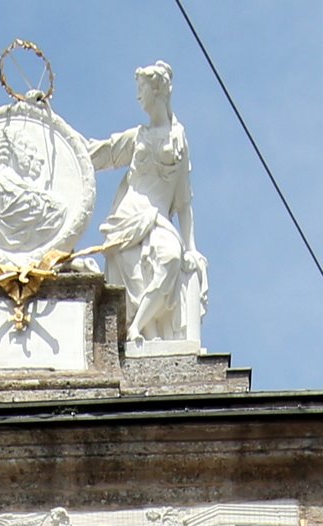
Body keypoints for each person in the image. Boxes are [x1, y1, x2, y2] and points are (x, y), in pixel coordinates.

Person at [89, 63, 206, 351]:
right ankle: (140, 332)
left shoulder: (178, 141)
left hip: (159, 219)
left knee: (170, 258)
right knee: (138, 280)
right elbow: (96, 154)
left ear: (158, 90)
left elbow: (183, 201)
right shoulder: (136, 137)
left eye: (141, 88)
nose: (138, 96)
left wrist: (191, 247)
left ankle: (138, 326)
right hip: (128, 218)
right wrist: (55, 130)